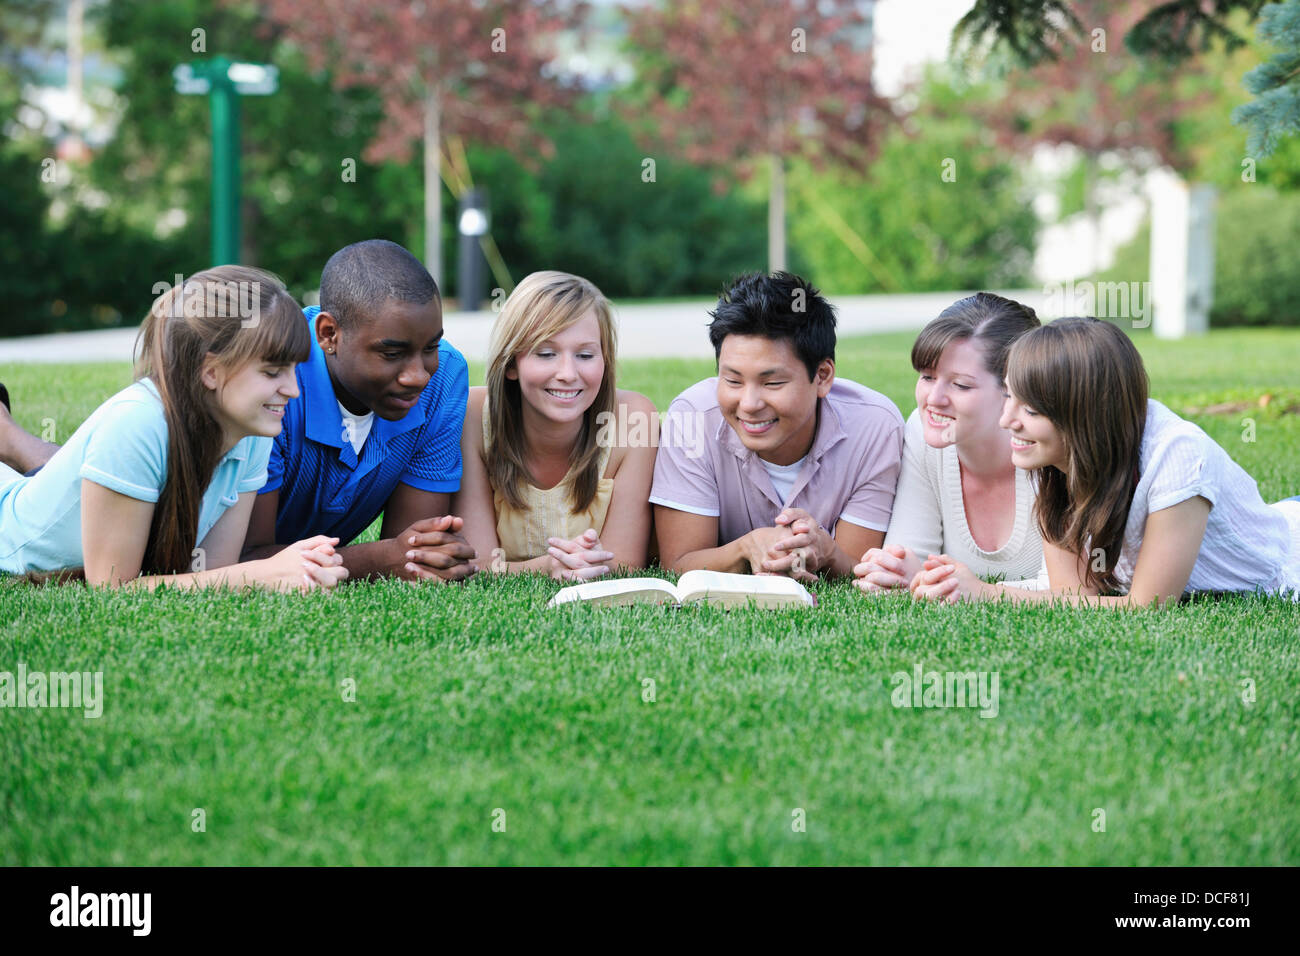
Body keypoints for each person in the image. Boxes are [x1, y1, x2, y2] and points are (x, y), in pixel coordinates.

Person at [0, 266, 347, 591]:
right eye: (273, 373)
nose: (293, 390)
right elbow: (112, 589)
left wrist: (283, 571)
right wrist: (261, 573)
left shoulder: (252, 432)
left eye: (293, 371)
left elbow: (209, 574)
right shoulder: (136, 423)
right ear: (210, 371)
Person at [911, 317, 1300, 607]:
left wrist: (986, 593)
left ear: (1083, 415)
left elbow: (1147, 607)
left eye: (1029, 409)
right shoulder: (1048, 459)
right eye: (1009, 397)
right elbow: (1073, 596)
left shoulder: (1177, 455)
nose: (1006, 421)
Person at [240, 239, 476, 582]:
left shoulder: (444, 378)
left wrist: (418, 556)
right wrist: (377, 561)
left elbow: (416, 551)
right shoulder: (273, 378)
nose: (418, 376)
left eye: (430, 347)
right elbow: (243, 559)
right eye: (391, 354)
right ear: (329, 334)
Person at [651, 271, 904, 580]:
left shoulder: (875, 427)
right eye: (732, 380)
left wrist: (828, 552)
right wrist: (745, 548)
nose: (749, 403)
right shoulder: (691, 418)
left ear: (822, 376)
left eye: (772, 383)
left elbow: (861, 568)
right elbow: (678, 563)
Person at [452, 271, 657, 579]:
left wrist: (581, 563)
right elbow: (476, 566)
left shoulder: (634, 419)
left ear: (605, 360)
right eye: (546, 354)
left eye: (586, 355)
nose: (567, 373)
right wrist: (549, 566)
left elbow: (626, 565)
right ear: (511, 365)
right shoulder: (472, 416)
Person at [854, 293, 1043, 593]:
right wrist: (898, 573)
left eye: (960, 385)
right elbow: (910, 555)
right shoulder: (921, 430)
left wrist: (982, 592)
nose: (933, 400)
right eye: (928, 377)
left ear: (1014, 390)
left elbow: (1071, 589)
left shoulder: (1050, 444)